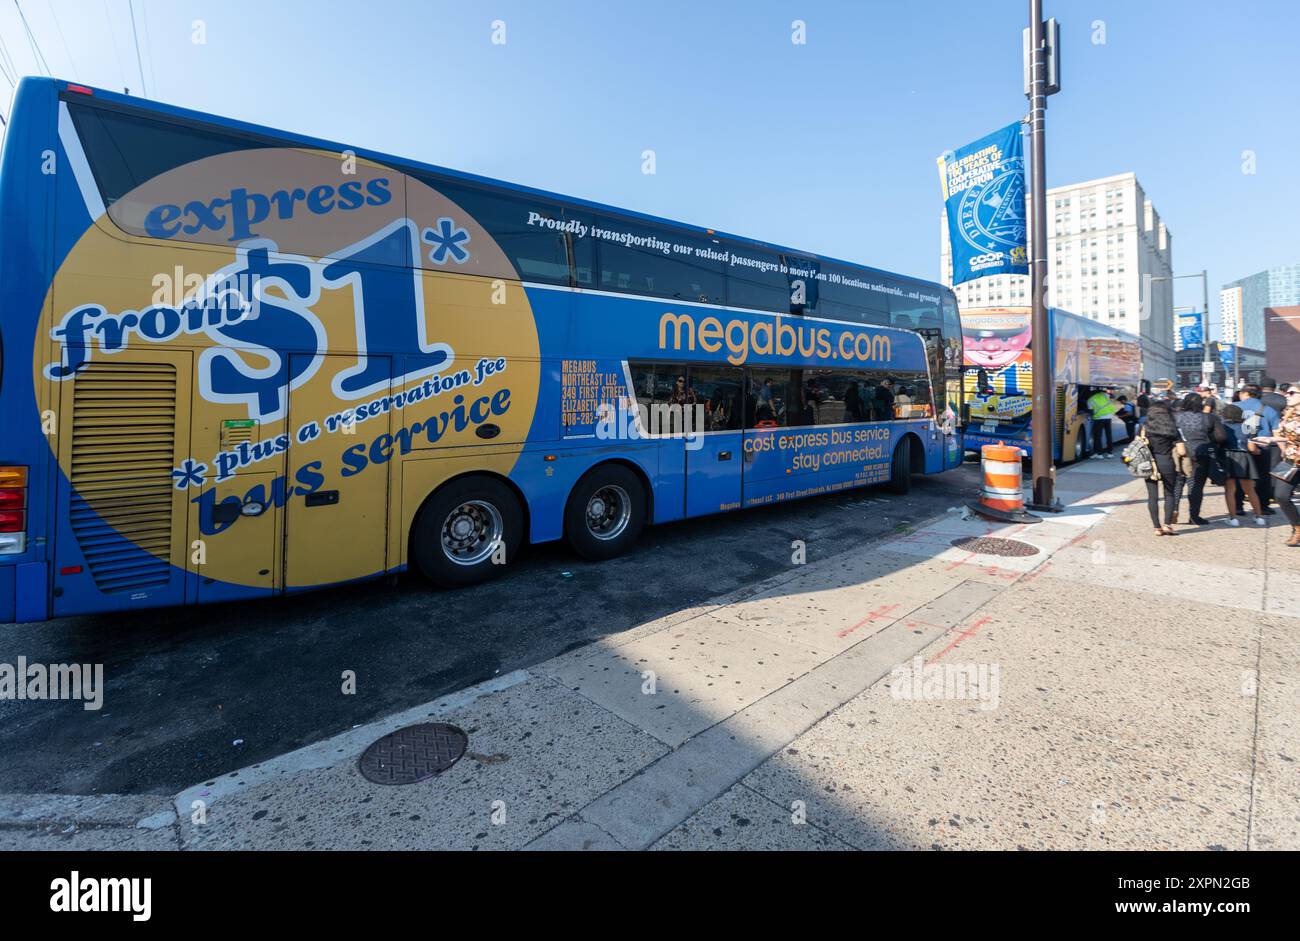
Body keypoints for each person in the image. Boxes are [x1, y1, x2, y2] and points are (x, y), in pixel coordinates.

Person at [1252, 385, 1300, 547]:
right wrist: (1271, 440)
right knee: (1280, 495)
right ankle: (1298, 528)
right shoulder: (1289, 413)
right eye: (1287, 393)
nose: (1287, 395)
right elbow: (1289, 436)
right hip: (1290, 459)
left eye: (1292, 393)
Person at [1174, 392, 1222, 525]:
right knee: (1195, 485)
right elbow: (1221, 437)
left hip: (1180, 453)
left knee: (1178, 482)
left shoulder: (1176, 417)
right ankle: (1194, 516)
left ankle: (1174, 509)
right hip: (1200, 454)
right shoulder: (1208, 418)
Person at [1217, 404, 1267, 526]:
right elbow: (1252, 448)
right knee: (1250, 490)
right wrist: (1259, 452)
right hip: (1245, 458)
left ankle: (1233, 519)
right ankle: (1259, 517)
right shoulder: (1247, 426)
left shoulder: (1222, 427)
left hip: (1228, 457)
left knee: (1230, 490)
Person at [1140, 401, 1184, 536]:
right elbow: (1181, 451)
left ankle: (1156, 528)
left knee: (1152, 496)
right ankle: (1167, 525)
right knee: (1169, 494)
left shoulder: (1144, 428)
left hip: (1149, 464)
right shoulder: (1172, 429)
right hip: (1167, 462)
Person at [1238, 384, 1281, 514]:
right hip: (1262, 446)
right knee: (1263, 478)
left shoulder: (1234, 407)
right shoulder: (1269, 410)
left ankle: (1238, 507)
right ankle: (1263, 506)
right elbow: (1276, 432)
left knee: (1239, 476)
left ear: (1245, 393)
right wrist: (1283, 449)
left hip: (1239, 447)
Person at [1086, 387, 1119, 458]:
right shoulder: (1105, 395)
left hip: (1098, 418)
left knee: (1098, 436)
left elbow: (1091, 411)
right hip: (1108, 417)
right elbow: (1112, 397)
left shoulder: (1090, 400)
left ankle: (1099, 454)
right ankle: (1110, 453)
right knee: (1108, 435)